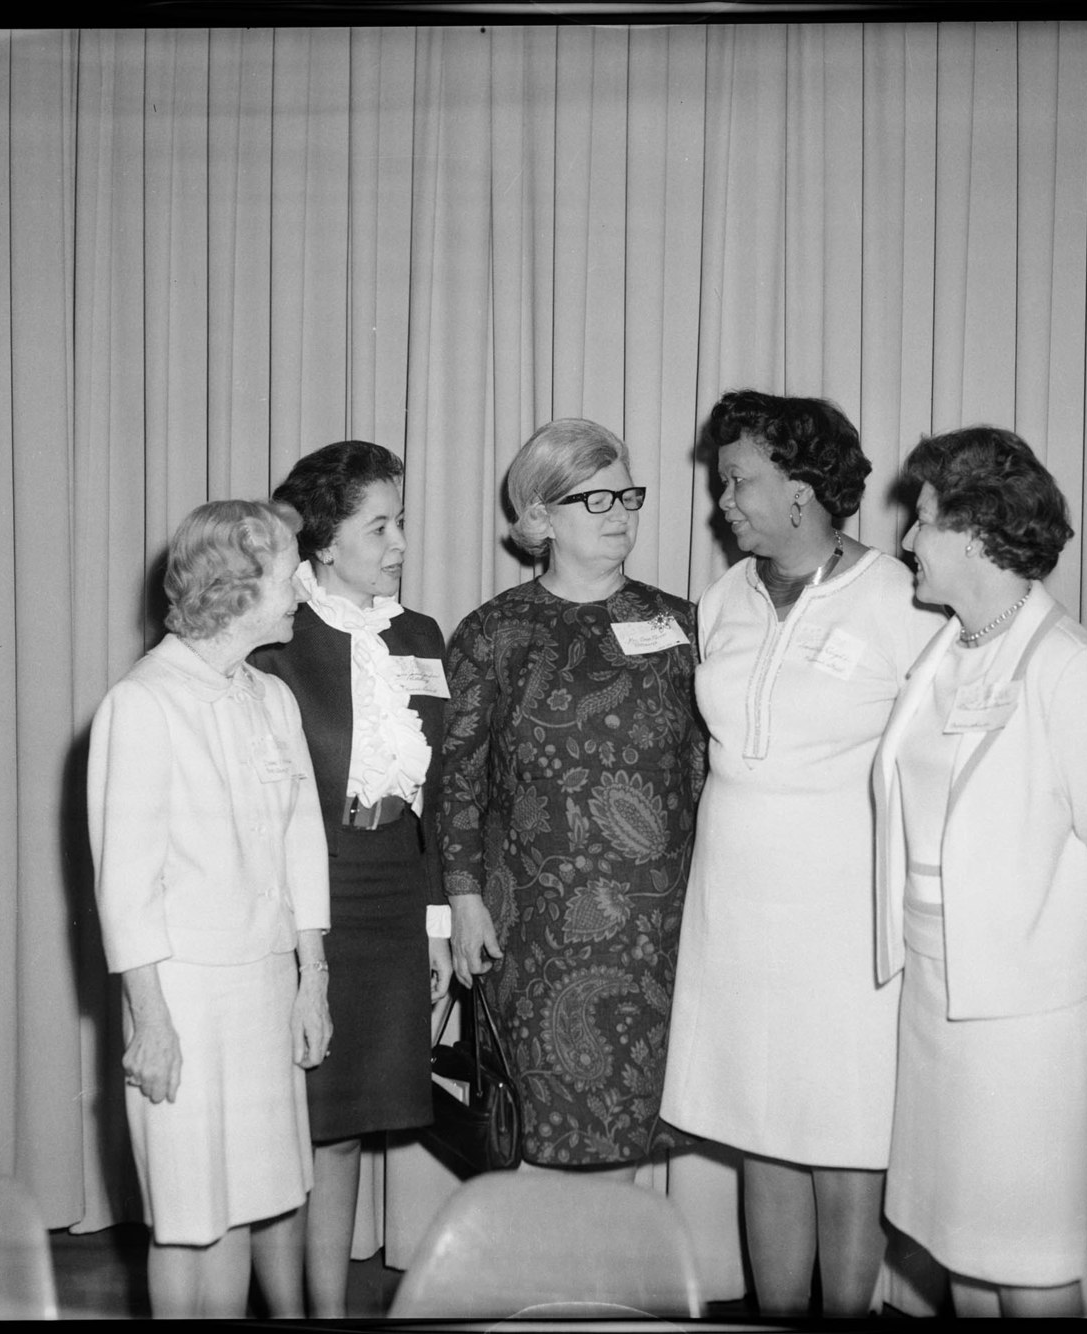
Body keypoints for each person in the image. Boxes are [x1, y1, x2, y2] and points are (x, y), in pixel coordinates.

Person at [660, 390, 947, 1317]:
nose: (723, 503)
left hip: (843, 910)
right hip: (736, 903)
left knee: (846, 1136)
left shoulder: (902, 599)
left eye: (738, 481)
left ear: (803, 490)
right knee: (762, 1127)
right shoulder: (724, 597)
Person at [872, 425, 1087, 1318]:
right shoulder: (951, 651)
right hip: (938, 993)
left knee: (1028, 1258)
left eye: (922, 522)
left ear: (973, 532)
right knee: (960, 1243)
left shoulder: (1073, 671)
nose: (907, 542)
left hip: (1031, 1017)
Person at [439, 418, 706, 1173]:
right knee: (535, 1139)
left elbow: (706, 774)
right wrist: (463, 901)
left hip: (658, 929)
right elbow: (457, 780)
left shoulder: (680, 626)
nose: (622, 513)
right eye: (596, 500)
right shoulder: (495, 633)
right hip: (534, 927)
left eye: (628, 494)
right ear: (539, 516)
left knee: (631, 1137)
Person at [87, 499, 330, 1319]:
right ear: (234, 585)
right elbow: (125, 886)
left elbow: (303, 847)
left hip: (263, 987)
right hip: (183, 996)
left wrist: (312, 979)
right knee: (188, 1220)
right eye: (289, 567)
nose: (302, 583)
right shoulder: (144, 703)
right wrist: (149, 1022)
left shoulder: (270, 696)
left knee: (242, 1205)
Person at [249, 441, 453, 1317]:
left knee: (339, 1133)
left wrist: (438, 926)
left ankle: (327, 1316)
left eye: (400, 521)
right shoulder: (276, 636)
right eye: (382, 525)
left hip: (392, 891)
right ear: (325, 542)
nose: (401, 542)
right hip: (303, 899)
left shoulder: (418, 635)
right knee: (284, 1126)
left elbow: (442, 793)